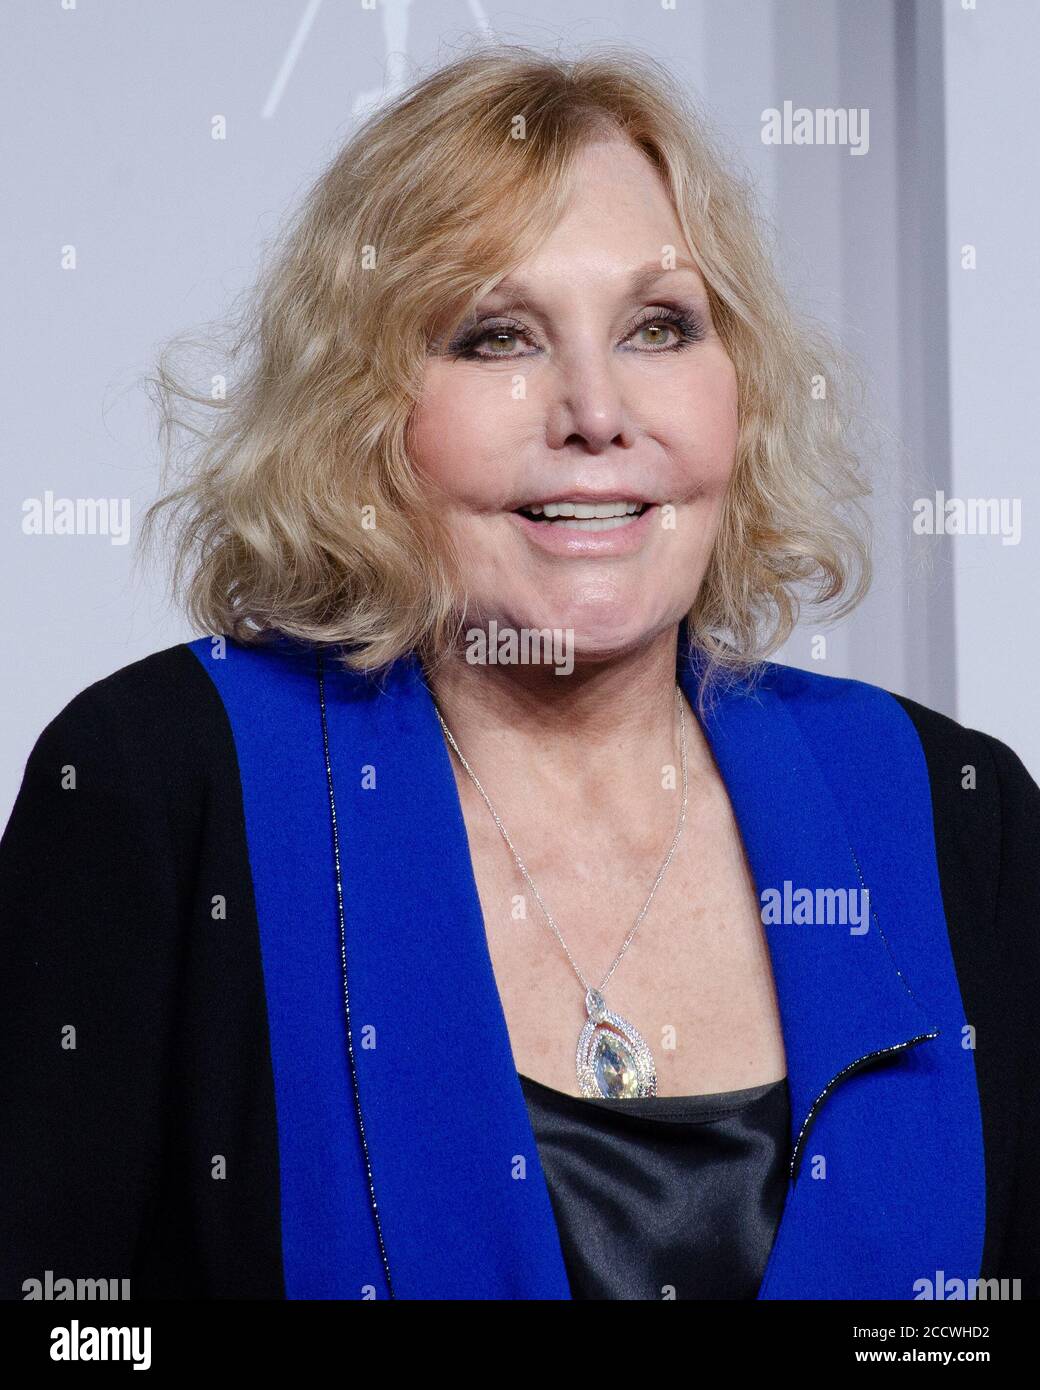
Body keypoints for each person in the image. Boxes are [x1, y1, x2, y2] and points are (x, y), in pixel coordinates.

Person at [1, 44, 1037, 1302]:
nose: (595, 410)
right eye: (496, 338)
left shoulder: (953, 808)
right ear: (363, 417)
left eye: (660, 326)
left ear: (738, 393)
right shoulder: (159, 785)